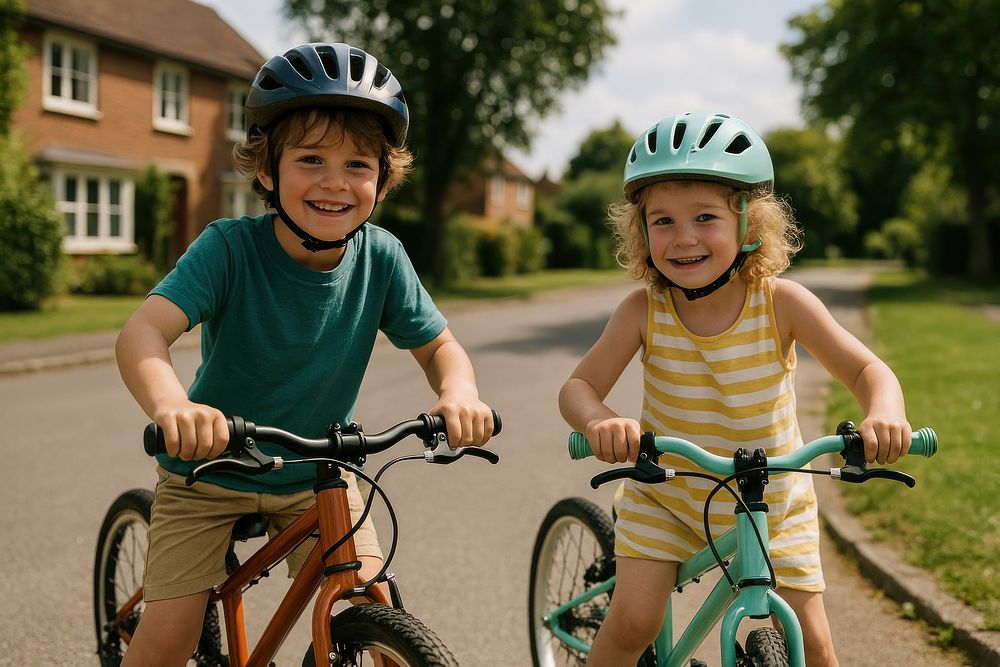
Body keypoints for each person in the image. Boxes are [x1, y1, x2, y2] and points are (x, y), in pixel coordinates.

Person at [115, 42, 495, 665]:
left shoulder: (383, 257)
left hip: (317, 473)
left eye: (358, 163)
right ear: (267, 169)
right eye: (310, 158)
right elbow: (143, 335)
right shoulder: (228, 248)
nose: (334, 181)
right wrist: (174, 407)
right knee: (173, 633)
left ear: (383, 176)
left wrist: (458, 392)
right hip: (209, 469)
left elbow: (440, 347)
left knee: (370, 600)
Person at [558, 111, 911, 667]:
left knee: (814, 645)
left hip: (772, 503)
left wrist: (884, 412)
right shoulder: (644, 311)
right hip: (667, 497)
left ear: (749, 223)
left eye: (705, 217)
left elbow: (869, 371)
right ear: (640, 231)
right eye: (662, 221)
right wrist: (599, 420)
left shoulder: (782, 303)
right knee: (633, 624)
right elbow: (578, 386)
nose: (684, 238)